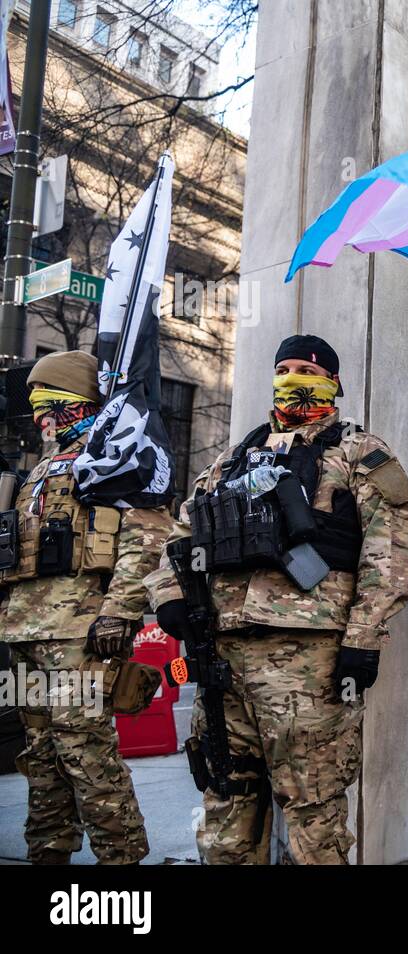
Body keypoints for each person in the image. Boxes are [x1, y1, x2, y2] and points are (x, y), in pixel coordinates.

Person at [145, 334, 408, 864]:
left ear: (333, 382)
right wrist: (168, 596)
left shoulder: (358, 453)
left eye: (306, 369)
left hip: (307, 660)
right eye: (283, 368)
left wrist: (363, 638)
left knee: (314, 812)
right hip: (221, 657)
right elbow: (179, 538)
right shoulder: (231, 459)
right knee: (225, 806)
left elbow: (390, 554)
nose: (292, 377)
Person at [0, 350, 172, 864]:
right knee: (40, 751)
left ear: (76, 404)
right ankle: (48, 852)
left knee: (83, 746)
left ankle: (122, 860)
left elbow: (147, 538)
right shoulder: (40, 468)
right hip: (27, 626)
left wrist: (119, 611)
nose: (39, 417)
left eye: (48, 404)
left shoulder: (112, 456)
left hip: (81, 628)